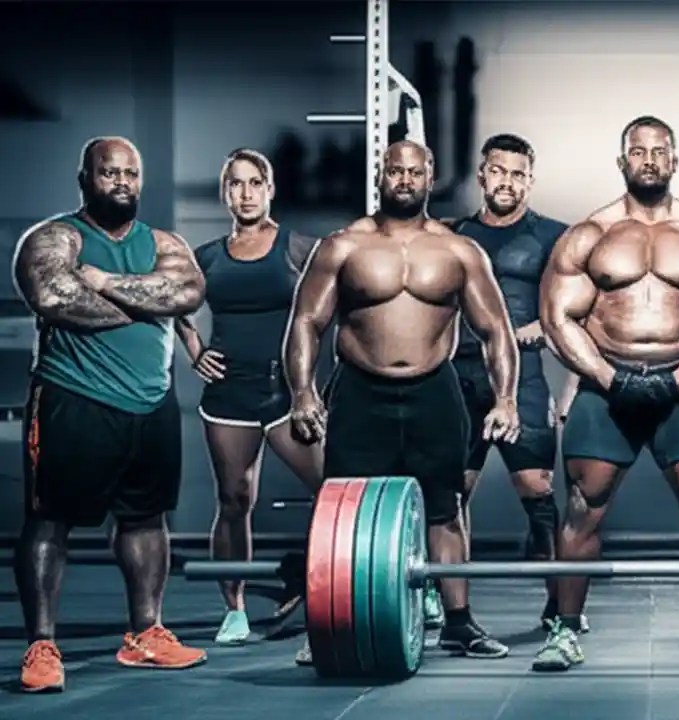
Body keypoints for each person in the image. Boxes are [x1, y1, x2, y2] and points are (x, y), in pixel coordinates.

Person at [533, 115, 679, 673]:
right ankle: (564, 630)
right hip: (607, 389)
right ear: (622, 161)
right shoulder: (588, 235)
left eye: (660, 151)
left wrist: (676, 380)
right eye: (639, 150)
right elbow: (559, 319)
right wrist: (614, 381)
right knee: (582, 509)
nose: (649, 159)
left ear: (675, 160)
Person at [284, 139, 518, 659]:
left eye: (415, 171)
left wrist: (506, 399)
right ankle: (327, 626)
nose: (406, 180)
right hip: (360, 391)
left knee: (446, 508)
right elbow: (306, 322)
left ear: (430, 176)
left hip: (434, 389)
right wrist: (302, 393)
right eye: (396, 171)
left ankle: (458, 621)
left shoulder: (458, 250)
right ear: (381, 176)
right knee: (341, 510)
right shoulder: (344, 246)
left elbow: (496, 329)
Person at [12, 136, 209, 693]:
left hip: (150, 404)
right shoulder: (56, 237)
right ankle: (41, 645)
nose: (121, 182)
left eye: (130, 173)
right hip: (73, 399)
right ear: (85, 180)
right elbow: (54, 296)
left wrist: (103, 283)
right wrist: (147, 304)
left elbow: (189, 290)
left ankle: (145, 634)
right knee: (50, 520)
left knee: (147, 520)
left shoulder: (164, 241)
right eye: (108, 173)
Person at [176, 148, 324, 652]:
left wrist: (311, 383)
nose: (245, 193)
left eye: (254, 182)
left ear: (270, 189)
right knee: (235, 500)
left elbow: (334, 300)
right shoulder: (208, 257)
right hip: (228, 395)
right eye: (235, 184)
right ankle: (234, 609)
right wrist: (195, 350)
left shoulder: (298, 248)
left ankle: (314, 588)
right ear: (225, 193)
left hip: (285, 392)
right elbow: (178, 305)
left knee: (333, 493)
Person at [447, 133, 581, 632]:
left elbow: (574, 309)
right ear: (482, 175)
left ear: (530, 179)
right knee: (452, 494)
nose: (507, 182)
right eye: (498, 171)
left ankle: (560, 608)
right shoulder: (454, 235)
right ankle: (451, 607)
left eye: (518, 173)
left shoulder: (553, 236)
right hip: (460, 374)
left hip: (522, 379)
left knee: (537, 491)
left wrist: (539, 330)